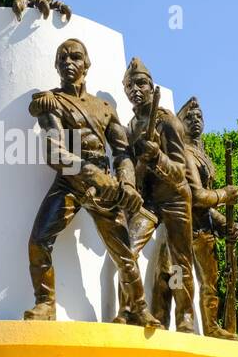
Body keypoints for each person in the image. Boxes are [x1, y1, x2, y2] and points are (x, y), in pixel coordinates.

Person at [24, 39, 157, 326]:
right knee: (38, 241)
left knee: (124, 253)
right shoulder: (52, 101)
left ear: (87, 64)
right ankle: (45, 304)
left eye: (75, 57)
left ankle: (137, 308)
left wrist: (128, 184)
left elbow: (122, 152)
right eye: (62, 58)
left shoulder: (104, 108)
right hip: (70, 180)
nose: (69, 62)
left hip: (105, 187)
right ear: (56, 65)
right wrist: (92, 174)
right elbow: (54, 151)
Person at [153, 97, 238, 338]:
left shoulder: (203, 155)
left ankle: (211, 327)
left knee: (210, 284)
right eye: (189, 117)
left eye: (199, 116)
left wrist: (226, 224)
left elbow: (206, 206)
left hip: (204, 228)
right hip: (182, 226)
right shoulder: (184, 154)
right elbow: (198, 197)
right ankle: (168, 321)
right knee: (173, 278)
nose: (195, 121)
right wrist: (225, 194)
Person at [123, 58, 197, 333]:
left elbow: (180, 172)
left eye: (141, 83)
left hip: (176, 196)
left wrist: (156, 156)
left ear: (151, 85)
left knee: (180, 260)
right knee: (127, 250)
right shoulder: (130, 127)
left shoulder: (167, 122)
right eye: (130, 86)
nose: (136, 90)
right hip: (150, 200)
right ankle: (131, 309)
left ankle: (185, 317)